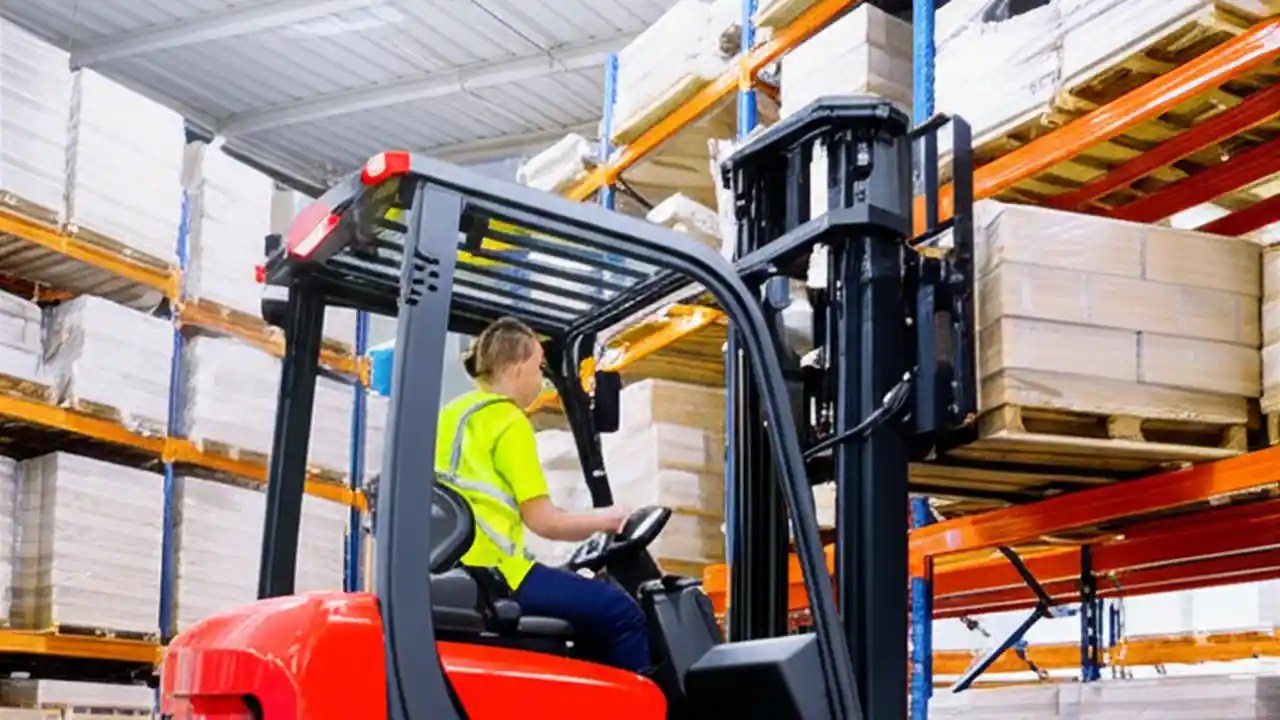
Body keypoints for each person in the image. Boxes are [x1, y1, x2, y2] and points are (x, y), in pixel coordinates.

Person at [434, 316, 651, 672]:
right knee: (622, 614)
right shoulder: (507, 420)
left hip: (460, 571)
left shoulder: (454, 414)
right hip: (497, 576)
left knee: (587, 613)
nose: (541, 379)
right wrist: (609, 519)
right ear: (518, 368)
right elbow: (545, 522)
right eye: (538, 368)